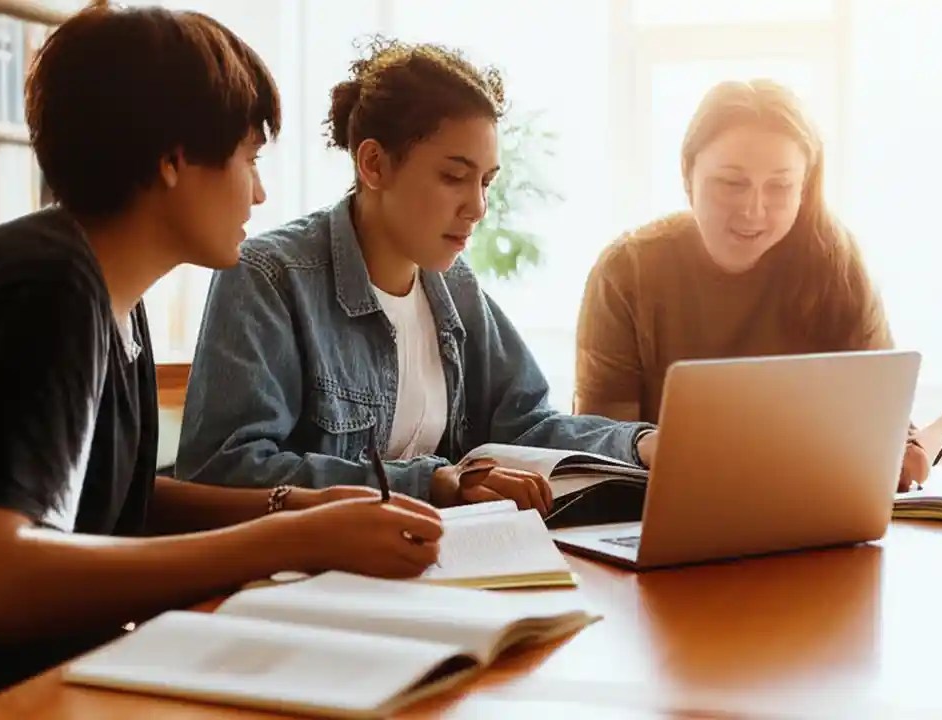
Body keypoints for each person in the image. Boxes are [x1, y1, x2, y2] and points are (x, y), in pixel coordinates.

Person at [0, 8, 444, 706]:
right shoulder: (46, 284)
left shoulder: (110, 291)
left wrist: (291, 507)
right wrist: (290, 541)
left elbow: (115, 501)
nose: (259, 192)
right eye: (249, 159)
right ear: (173, 159)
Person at [176, 38, 660, 511]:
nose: (477, 206)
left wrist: (642, 445)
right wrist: (430, 483)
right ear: (373, 164)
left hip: (428, 567)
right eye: (454, 176)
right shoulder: (270, 278)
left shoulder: (453, 286)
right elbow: (225, 472)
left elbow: (527, 423)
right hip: (308, 575)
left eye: (486, 181)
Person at [574, 79, 928, 491]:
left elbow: (887, 419)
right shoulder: (627, 273)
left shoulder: (838, 266)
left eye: (780, 186)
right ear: (688, 176)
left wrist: (905, 452)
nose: (753, 210)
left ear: (804, 188)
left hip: (813, 515)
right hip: (663, 516)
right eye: (730, 183)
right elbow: (602, 455)